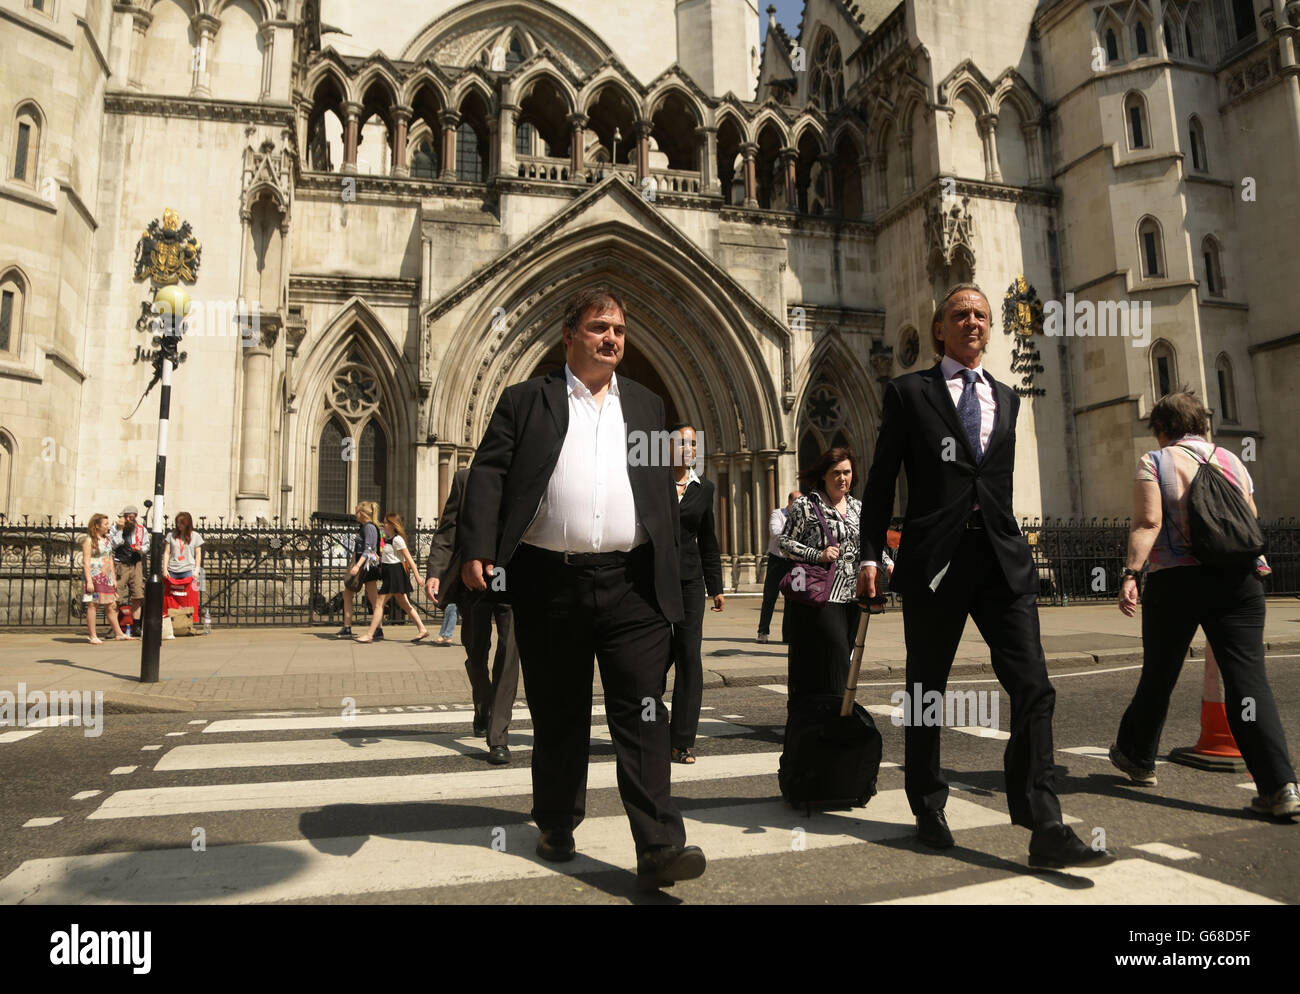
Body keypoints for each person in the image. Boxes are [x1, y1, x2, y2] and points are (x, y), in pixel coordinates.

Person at [458, 284, 706, 890]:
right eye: (599, 328)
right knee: (559, 713)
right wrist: (477, 549)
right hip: (551, 581)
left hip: (633, 585)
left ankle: (658, 845)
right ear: (569, 335)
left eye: (619, 329)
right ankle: (558, 820)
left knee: (645, 712)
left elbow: (656, 492)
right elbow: (489, 472)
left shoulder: (647, 405)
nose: (612, 338)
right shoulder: (527, 401)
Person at [857, 282, 1111, 868]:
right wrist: (871, 554)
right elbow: (879, 481)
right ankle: (926, 801)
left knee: (1034, 687)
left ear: (989, 328)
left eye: (980, 315)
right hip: (936, 563)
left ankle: (1044, 822)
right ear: (939, 330)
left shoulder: (1008, 397)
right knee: (928, 691)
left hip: (1001, 560)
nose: (972, 322)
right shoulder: (908, 393)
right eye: (958, 315)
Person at [1112, 390, 1297, 818]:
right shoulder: (1233, 462)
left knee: (1160, 673)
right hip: (1239, 582)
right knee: (1249, 682)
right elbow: (1248, 520)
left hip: (1178, 582)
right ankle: (1280, 786)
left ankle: (1137, 757)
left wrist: (1131, 574)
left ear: (1161, 429)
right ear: (1203, 424)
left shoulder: (1154, 462)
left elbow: (1148, 522)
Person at [426, 467, 520, 764]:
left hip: (512, 577)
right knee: (475, 651)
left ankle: (498, 736)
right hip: (472, 579)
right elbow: (448, 529)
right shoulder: (465, 479)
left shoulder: (527, 474)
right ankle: (483, 701)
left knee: (509, 655)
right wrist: (435, 572)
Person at [779, 449, 862, 702]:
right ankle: (840, 717)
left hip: (852, 595)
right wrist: (818, 554)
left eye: (846, 472)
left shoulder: (857, 507)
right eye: (835, 473)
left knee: (842, 654)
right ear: (823, 476)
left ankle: (821, 712)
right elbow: (784, 542)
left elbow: (870, 543)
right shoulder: (806, 505)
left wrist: (888, 564)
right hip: (821, 595)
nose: (842, 478)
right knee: (837, 658)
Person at [667, 422, 724, 764]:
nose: (687, 449)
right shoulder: (652, 484)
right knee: (656, 656)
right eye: (679, 443)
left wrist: (715, 587)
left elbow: (709, 541)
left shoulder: (704, 488)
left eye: (691, 444)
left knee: (689, 655)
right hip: (654, 580)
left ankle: (682, 740)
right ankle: (648, 720)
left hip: (690, 581)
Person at [357, 513, 428, 643]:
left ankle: (369, 634)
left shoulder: (397, 540)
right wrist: (377, 558)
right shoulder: (387, 539)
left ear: (392, 524)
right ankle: (422, 629)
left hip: (395, 574)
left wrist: (417, 577)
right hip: (389, 573)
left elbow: (409, 559)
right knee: (404, 603)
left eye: (386, 522)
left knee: (379, 604)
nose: (383, 524)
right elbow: (389, 557)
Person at [757, 490, 801, 644]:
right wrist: (796, 534)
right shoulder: (778, 514)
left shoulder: (803, 517)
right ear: (789, 502)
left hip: (793, 561)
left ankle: (788, 635)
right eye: (796, 501)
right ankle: (763, 631)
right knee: (770, 597)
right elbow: (775, 532)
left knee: (792, 599)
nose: (799, 504)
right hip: (777, 560)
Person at [336, 501, 383, 640]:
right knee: (349, 594)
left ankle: (376, 628)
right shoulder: (365, 527)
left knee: (373, 599)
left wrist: (357, 566)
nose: (355, 514)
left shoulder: (369, 527)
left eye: (357, 512)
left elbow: (369, 549)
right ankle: (348, 626)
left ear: (362, 514)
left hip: (367, 567)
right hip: (364, 565)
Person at [82, 513, 129, 643]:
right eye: (105, 524)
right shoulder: (89, 541)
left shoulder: (107, 540)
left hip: (106, 576)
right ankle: (92, 635)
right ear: (97, 525)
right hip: (95, 576)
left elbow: (110, 560)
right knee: (93, 604)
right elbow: (86, 561)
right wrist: (89, 580)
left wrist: (113, 578)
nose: (107, 526)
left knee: (111, 605)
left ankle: (119, 633)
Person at [109, 505, 147, 634]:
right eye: (128, 517)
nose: (131, 519)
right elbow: (114, 544)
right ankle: (114, 626)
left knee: (137, 595)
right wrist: (120, 529)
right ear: (123, 517)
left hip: (136, 563)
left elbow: (146, 545)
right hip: (121, 564)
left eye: (133, 516)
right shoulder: (115, 528)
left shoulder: (141, 530)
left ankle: (136, 626)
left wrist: (141, 549)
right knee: (116, 595)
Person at [161, 511, 203, 625]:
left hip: (188, 569)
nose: (179, 525)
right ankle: (171, 620)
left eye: (182, 523)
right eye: (177, 523)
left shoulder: (195, 536)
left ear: (187, 523)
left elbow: (198, 553)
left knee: (189, 597)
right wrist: (164, 569)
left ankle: (189, 620)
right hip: (173, 570)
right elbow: (167, 552)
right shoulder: (171, 535)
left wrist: (197, 569)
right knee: (171, 596)